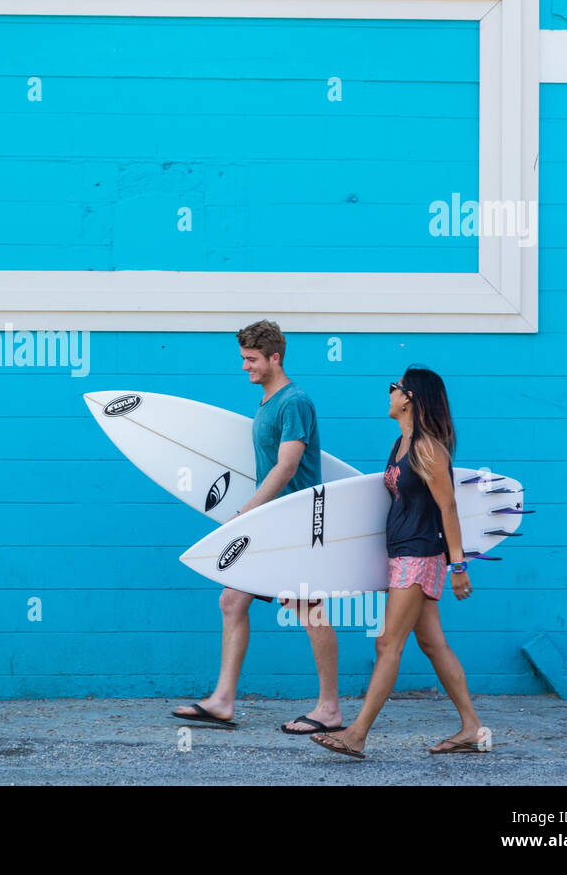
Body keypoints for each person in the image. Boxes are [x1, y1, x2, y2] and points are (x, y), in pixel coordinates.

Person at [173, 320, 344, 734]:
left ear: (274, 358)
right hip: (271, 522)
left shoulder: (294, 401)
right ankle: (223, 701)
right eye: (243, 359)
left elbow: (287, 468)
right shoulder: (270, 402)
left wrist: (245, 514)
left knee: (308, 609)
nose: (245, 367)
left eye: (251, 360)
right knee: (232, 600)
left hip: (297, 522)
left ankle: (330, 710)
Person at [311, 366, 490, 758]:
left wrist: (458, 567)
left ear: (408, 397)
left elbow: (448, 507)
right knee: (432, 642)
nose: (389, 393)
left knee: (387, 643)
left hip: (420, 554)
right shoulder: (400, 444)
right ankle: (473, 728)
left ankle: (357, 733)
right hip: (402, 552)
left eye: (393, 388)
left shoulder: (428, 448)